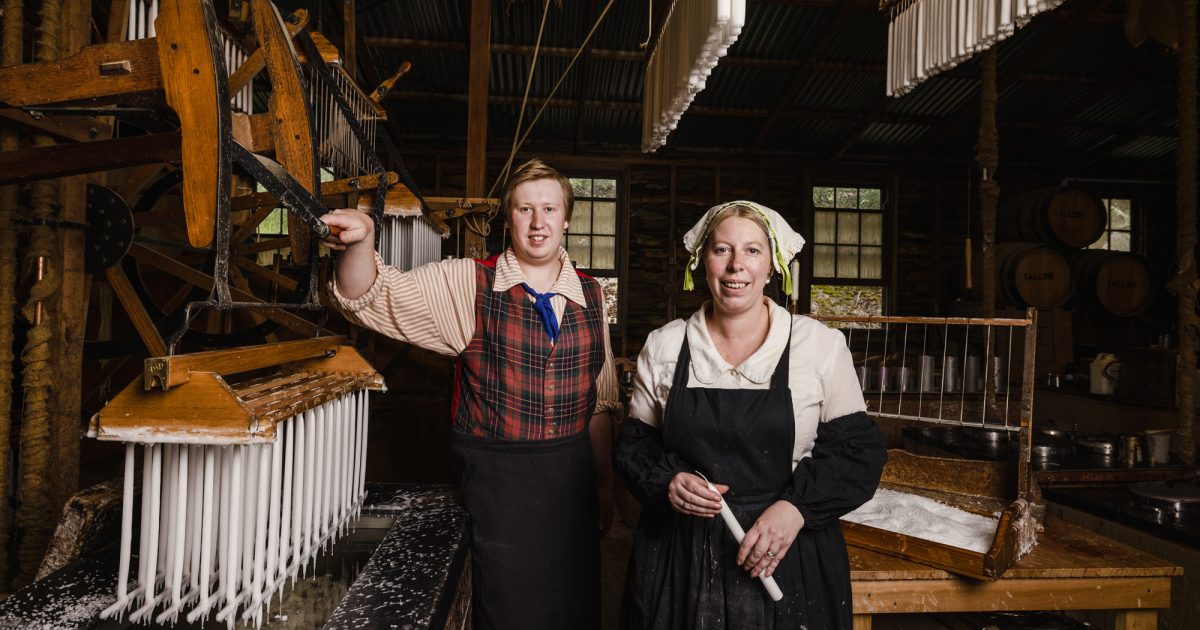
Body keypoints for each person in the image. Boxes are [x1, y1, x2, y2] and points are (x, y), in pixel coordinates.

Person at [320, 158, 619, 630]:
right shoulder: (469, 283)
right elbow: (374, 296)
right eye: (524, 209)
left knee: (573, 612)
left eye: (549, 209)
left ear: (566, 218)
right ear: (508, 219)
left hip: (572, 484)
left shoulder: (592, 296)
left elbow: (598, 402)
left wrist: (603, 484)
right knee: (507, 613)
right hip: (499, 488)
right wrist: (360, 242)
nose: (538, 222)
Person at [614, 200, 886, 629]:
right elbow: (635, 446)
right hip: (680, 560)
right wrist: (667, 482)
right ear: (702, 261)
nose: (736, 265)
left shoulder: (816, 346)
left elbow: (858, 453)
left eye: (752, 251)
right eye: (722, 250)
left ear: (773, 264)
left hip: (789, 556)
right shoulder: (667, 347)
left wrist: (795, 509)